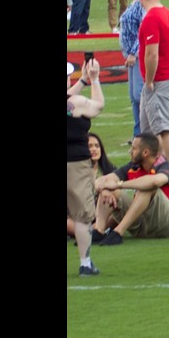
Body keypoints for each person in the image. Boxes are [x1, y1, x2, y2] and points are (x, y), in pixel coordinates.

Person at [91, 131, 169, 244]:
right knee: (111, 190)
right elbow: (100, 181)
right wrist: (105, 189)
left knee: (146, 187)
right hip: (144, 223)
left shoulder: (164, 166)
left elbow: (155, 182)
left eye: (133, 148)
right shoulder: (134, 166)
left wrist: (118, 185)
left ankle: (117, 232)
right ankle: (99, 231)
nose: (130, 151)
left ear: (145, 152)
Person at [67, 60, 106, 275]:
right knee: (82, 216)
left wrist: (82, 80)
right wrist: (94, 79)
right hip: (75, 163)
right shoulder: (77, 102)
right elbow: (98, 105)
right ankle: (85, 263)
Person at [134, 0, 169, 162]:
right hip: (166, 74)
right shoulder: (168, 14)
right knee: (149, 127)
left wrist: (149, 80)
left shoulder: (151, 18)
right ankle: (152, 163)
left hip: (159, 78)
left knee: (163, 127)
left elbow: (152, 54)